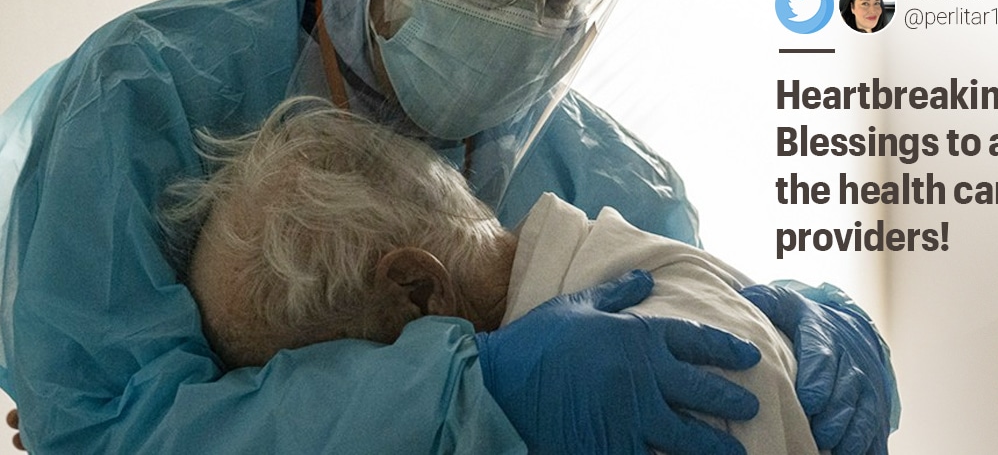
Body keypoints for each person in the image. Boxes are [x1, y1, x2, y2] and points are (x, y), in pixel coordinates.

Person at [0, 0, 897, 452]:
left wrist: (807, 327)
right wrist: (467, 394)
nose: (515, 7)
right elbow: (103, 428)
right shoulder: (146, 89)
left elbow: (699, 350)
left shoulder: (615, 181)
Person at [167, 96, 821, 454]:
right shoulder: (620, 266)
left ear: (416, 292)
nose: (358, 412)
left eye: (334, 376)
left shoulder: (670, 381)